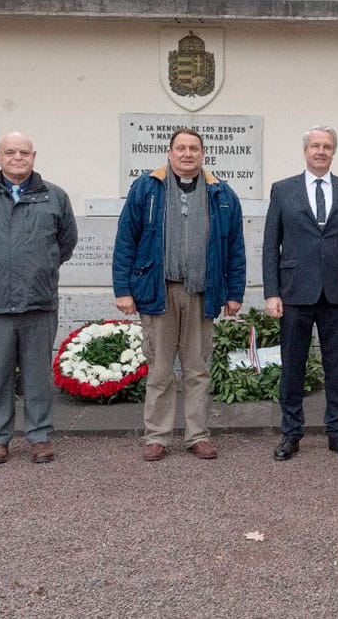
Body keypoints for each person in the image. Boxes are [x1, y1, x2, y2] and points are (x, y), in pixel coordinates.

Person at [113, 127, 246, 462]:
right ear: (169, 153)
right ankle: (156, 436)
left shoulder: (222, 193)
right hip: (158, 292)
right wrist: (123, 290)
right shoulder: (147, 188)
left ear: (203, 154)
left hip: (202, 292)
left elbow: (235, 248)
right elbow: (126, 241)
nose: (188, 154)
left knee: (197, 369)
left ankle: (197, 435)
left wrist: (234, 293)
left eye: (194, 149)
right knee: (159, 369)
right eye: (181, 148)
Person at [0, 131, 78, 465]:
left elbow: (65, 244)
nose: (17, 157)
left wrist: (41, 267)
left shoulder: (55, 197)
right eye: (10, 152)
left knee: (38, 376)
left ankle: (39, 437)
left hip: (39, 302)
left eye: (24, 152)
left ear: (34, 156)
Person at [263, 126, 338, 461]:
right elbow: (271, 245)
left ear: (333, 152)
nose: (321, 151)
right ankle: (290, 433)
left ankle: (337, 432)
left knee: (336, 367)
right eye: (315, 146)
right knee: (292, 366)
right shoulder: (283, 191)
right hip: (295, 293)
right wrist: (272, 292)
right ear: (305, 151)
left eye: (326, 146)